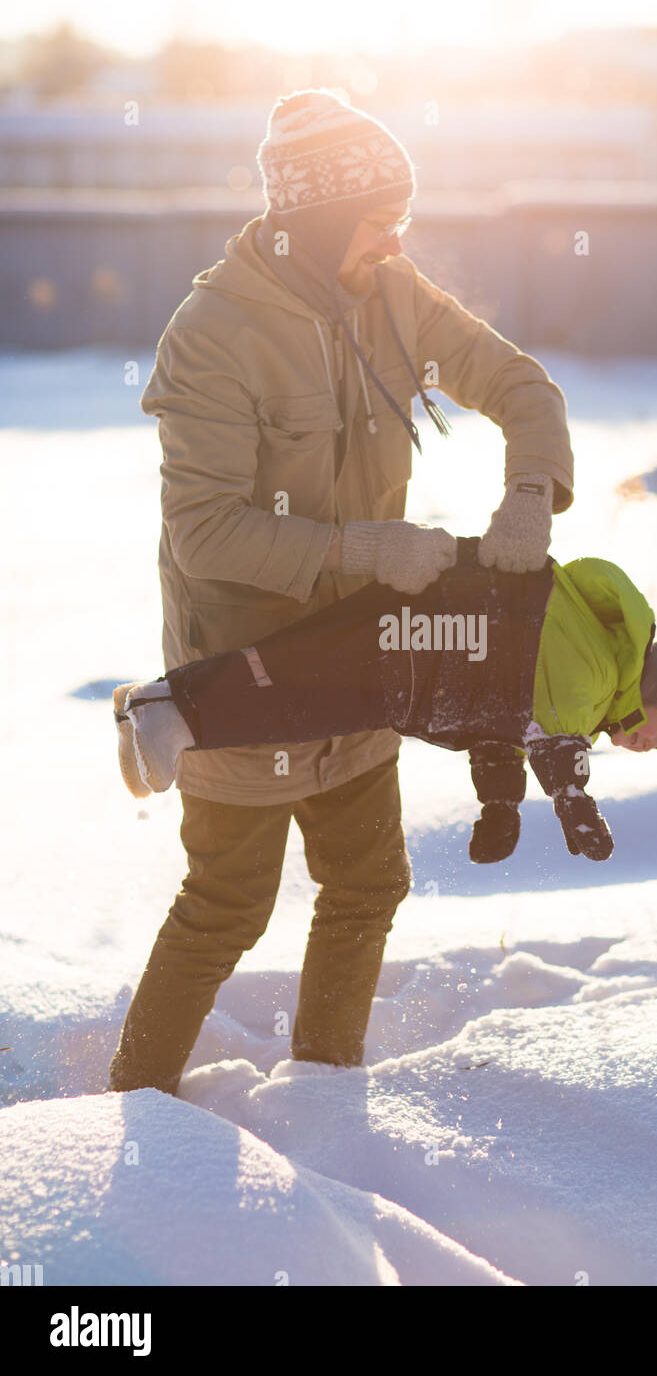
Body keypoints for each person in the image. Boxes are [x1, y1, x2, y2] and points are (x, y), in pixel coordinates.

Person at [107, 90, 574, 1096]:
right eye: (377, 221)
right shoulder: (214, 332)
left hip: (366, 657)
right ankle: (131, 1105)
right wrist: (365, 547)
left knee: (367, 884)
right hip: (245, 670)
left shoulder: (392, 296)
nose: (394, 240)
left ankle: (324, 1093)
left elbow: (522, 387)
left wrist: (530, 494)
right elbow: (206, 530)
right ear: (317, 223)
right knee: (226, 904)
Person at [115, 538, 657, 872]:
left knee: (299, 685)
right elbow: (552, 728)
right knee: (296, 680)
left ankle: (172, 713)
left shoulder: (593, 694)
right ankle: (167, 711)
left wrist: (500, 807)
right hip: (421, 641)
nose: (651, 747)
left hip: (417, 667)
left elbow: (508, 722)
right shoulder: (598, 667)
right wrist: (573, 803)